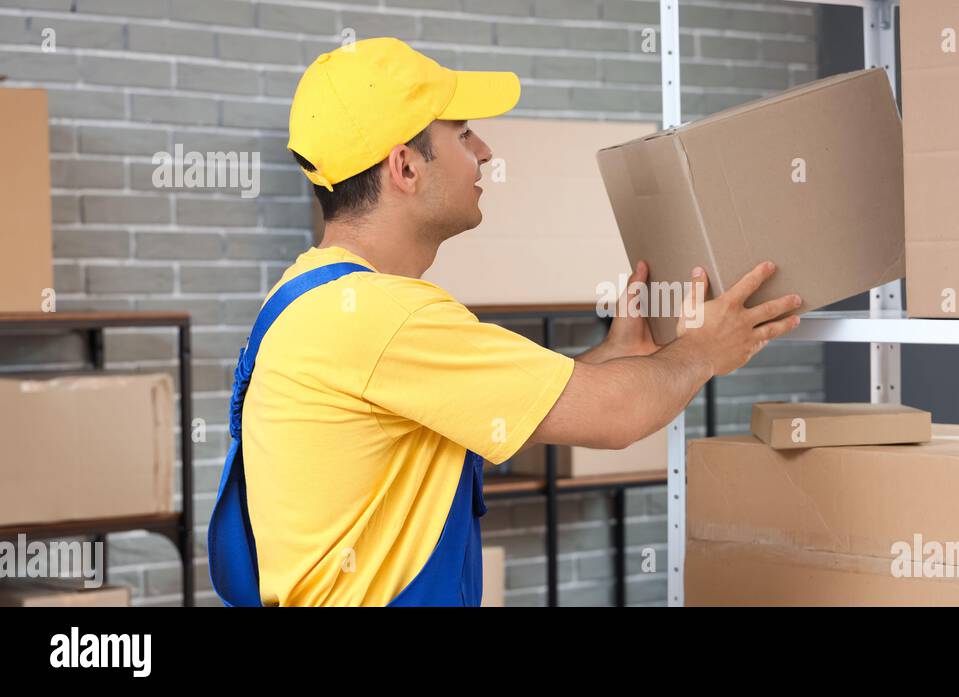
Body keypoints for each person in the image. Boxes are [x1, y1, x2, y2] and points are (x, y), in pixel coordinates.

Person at [208, 37, 802, 606]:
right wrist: (704, 351)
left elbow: (513, 401)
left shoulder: (309, 295)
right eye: (463, 134)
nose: (486, 152)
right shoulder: (387, 320)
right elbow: (617, 418)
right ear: (405, 168)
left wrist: (616, 353)